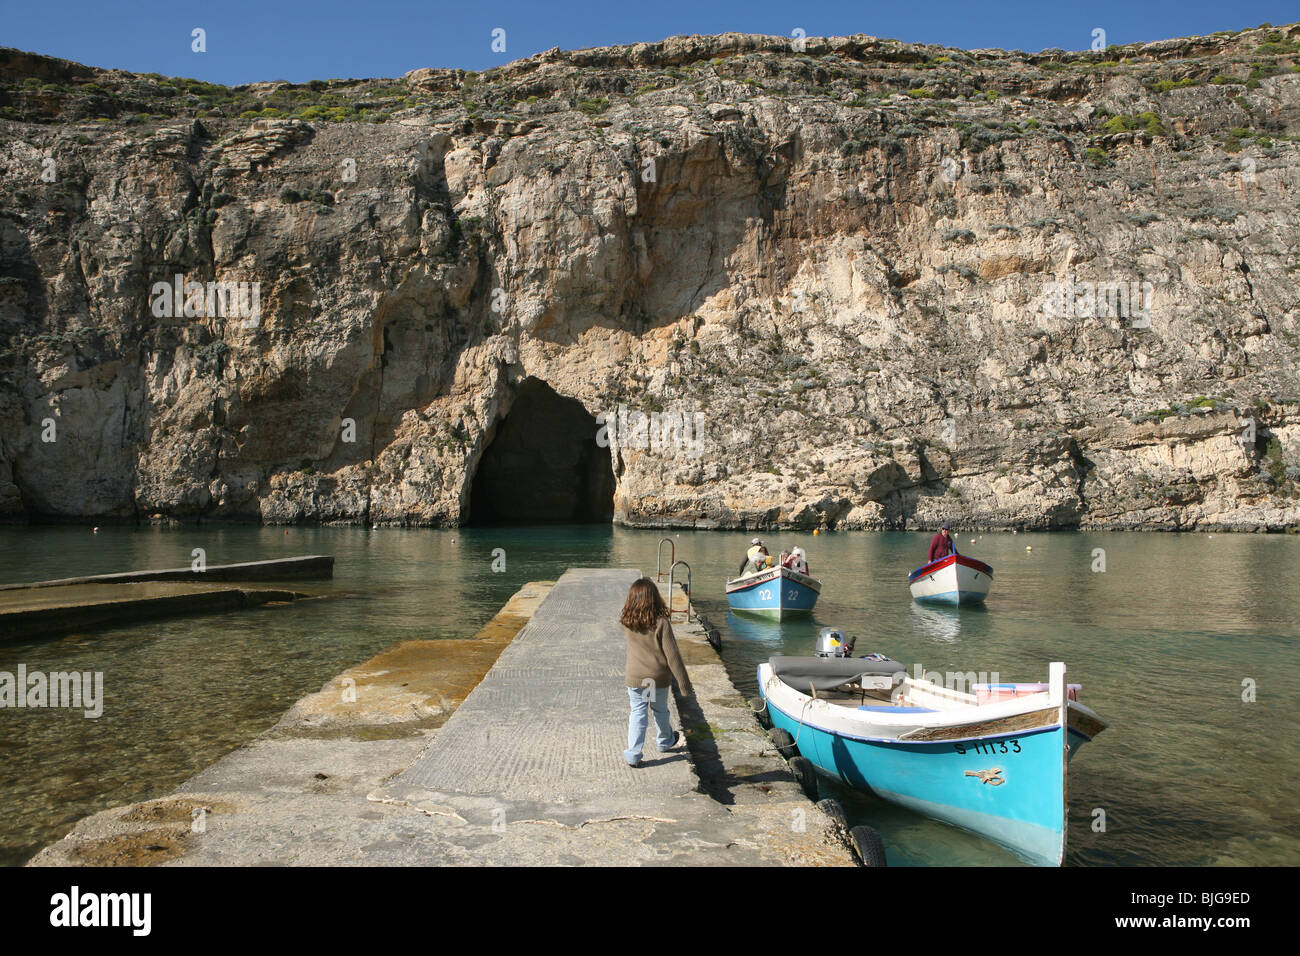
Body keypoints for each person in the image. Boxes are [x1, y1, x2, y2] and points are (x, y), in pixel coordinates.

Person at [620, 577, 695, 768]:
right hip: (656, 678)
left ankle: (633, 754)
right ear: (654, 598)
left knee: (638, 713)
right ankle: (665, 741)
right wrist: (685, 686)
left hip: (636, 677)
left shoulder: (627, 622)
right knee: (660, 710)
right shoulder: (661, 623)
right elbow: (673, 657)